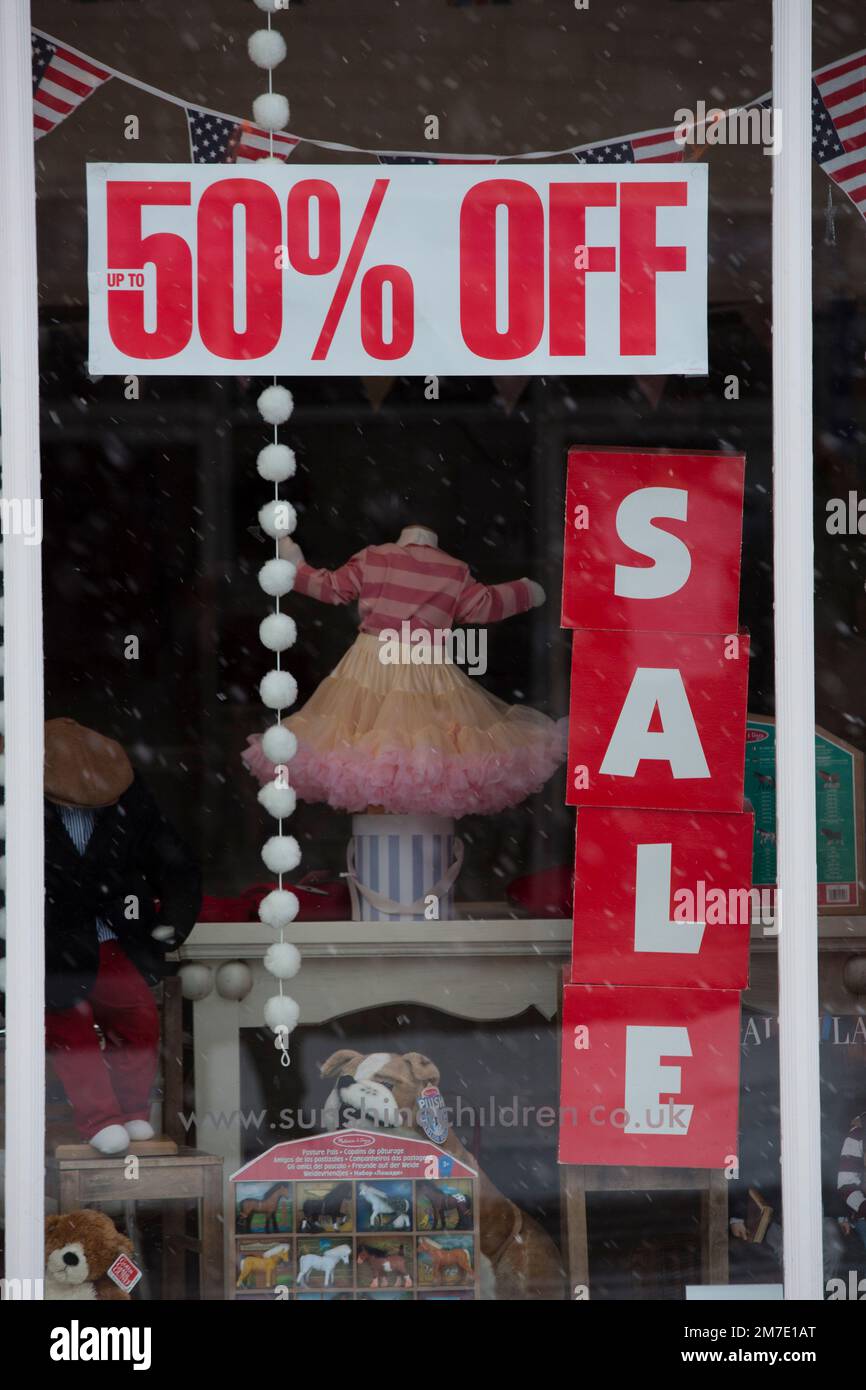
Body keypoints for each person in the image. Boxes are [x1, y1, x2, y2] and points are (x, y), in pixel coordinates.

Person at [243, 524, 566, 816]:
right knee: (425, 751)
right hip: (425, 666)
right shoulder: (453, 569)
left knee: (361, 743)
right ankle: (407, 842)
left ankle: (383, 833)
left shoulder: (375, 557)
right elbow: (482, 606)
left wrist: (296, 567)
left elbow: (332, 589)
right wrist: (525, 591)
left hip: (372, 662)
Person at [40, 718, 201, 1155]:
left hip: (113, 938)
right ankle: (98, 1119)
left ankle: (132, 1111)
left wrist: (172, 922)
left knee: (139, 1020)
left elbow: (174, 861)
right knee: (68, 1029)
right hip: (49, 946)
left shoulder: (130, 799)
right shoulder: (17, 802)